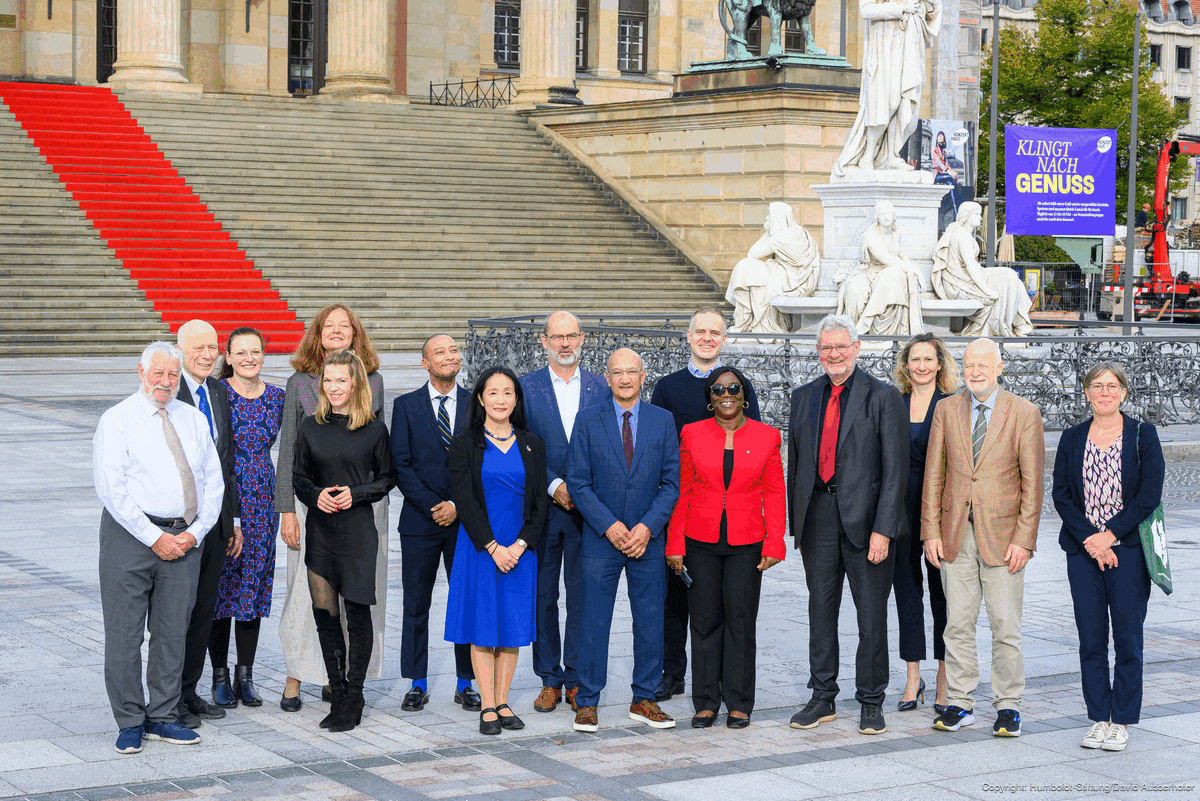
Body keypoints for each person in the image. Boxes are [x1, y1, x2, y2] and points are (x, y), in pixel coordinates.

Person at [94, 342, 223, 754]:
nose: (166, 382)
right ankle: (130, 720)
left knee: (172, 634)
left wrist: (195, 533)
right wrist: (154, 538)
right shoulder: (117, 420)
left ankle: (163, 716)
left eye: (172, 374)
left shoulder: (193, 418)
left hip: (185, 539)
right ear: (140, 372)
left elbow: (213, 482)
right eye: (158, 374)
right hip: (130, 539)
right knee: (124, 636)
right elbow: (111, 488)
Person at [786, 314, 907, 736]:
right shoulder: (803, 398)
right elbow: (796, 465)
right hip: (817, 517)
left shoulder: (883, 397)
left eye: (841, 347)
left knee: (871, 615)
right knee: (820, 612)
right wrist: (795, 524)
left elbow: (895, 470)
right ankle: (822, 696)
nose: (833, 355)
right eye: (826, 348)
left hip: (866, 522)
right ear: (818, 352)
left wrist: (883, 528)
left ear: (856, 348)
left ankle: (871, 701)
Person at [923, 338, 1045, 737]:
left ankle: (1008, 706)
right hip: (955, 535)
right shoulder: (946, 409)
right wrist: (930, 533)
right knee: (956, 624)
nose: (975, 372)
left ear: (999, 368)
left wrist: (1024, 540)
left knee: (1005, 625)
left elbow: (1033, 483)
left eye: (983, 365)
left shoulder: (1024, 413)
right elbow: (934, 476)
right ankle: (959, 702)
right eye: (969, 365)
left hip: (1004, 537)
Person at [276, 304, 388, 712]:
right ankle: (296, 676)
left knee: (356, 599)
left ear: (355, 334)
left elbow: (377, 453)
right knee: (305, 598)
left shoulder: (372, 381)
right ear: (318, 334)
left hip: (359, 509)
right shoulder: (299, 382)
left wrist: (363, 497)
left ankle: (339, 681)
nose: (337, 332)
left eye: (345, 326)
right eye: (329, 326)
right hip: (310, 505)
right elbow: (289, 448)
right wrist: (286, 509)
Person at [566, 348, 681, 733]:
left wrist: (647, 527)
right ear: (608, 377)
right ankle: (587, 701)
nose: (626, 379)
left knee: (650, 620)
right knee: (593, 620)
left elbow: (670, 483)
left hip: (647, 541)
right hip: (602, 540)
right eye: (618, 373)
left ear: (644, 375)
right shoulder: (587, 420)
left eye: (632, 372)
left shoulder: (663, 421)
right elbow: (578, 482)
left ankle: (644, 698)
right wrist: (609, 525)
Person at [666, 366, 786, 729]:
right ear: (710, 398)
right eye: (718, 390)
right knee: (703, 622)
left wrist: (775, 541)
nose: (726, 394)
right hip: (699, 540)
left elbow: (775, 492)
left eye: (733, 388)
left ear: (744, 393)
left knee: (740, 620)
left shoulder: (767, 436)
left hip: (747, 541)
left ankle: (738, 701)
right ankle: (705, 701)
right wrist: (674, 543)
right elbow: (681, 490)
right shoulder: (691, 433)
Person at [1052, 363, 1164, 752]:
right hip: (1083, 552)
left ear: (1123, 393)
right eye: (1097, 386)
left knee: (1129, 639)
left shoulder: (1142, 435)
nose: (1104, 392)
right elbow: (1062, 496)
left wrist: (1111, 536)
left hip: (1129, 549)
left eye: (1112, 386)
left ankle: (1123, 721)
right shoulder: (1071, 438)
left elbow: (1149, 495)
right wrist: (1091, 541)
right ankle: (1099, 717)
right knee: (1091, 638)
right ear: (1086, 393)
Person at [650, 307, 760, 702]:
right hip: (679, 505)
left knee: (722, 606)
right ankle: (672, 673)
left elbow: (757, 444)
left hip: (727, 515)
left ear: (724, 338)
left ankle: (723, 684)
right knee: (675, 598)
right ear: (688, 335)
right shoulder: (667, 387)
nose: (708, 337)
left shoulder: (738, 383)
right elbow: (657, 444)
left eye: (715, 332)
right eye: (701, 331)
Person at [292, 349, 393, 732]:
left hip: (357, 532)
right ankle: (336, 690)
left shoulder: (374, 428)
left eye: (341, 380)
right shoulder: (310, 426)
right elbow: (298, 476)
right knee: (325, 614)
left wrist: (359, 492)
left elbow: (387, 478)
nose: (334, 387)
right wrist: (313, 494)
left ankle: (354, 696)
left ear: (356, 383)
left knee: (357, 613)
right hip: (321, 530)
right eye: (328, 380)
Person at [446, 367, 549, 734]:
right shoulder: (465, 442)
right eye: (493, 393)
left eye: (508, 393)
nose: (501, 400)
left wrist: (519, 546)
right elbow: (465, 500)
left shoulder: (533, 443)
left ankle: (503, 700)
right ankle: (486, 706)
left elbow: (540, 504)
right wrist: (493, 546)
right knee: (483, 625)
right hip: (480, 547)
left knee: (511, 625)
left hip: (520, 549)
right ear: (480, 399)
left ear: (516, 400)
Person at [519, 311, 610, 713]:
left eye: (571, 335)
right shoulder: (527, 388)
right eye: (557, 337)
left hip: (587, 512)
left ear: (583, 338)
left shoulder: (600, 387)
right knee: (542, 596)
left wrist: (582, 490)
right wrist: (556, 484)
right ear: (544, 341)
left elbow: (607, 446)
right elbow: (521, 445)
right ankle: (548, 679)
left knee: (583, 596)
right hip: (543, 508)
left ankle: (575, 678)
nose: (565, 343)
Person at [390, 334, 480, 712]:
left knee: (464, 602)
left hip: (466, 521)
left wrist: (458, 504)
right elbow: (401, 465)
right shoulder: (406, 405)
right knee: (416, 603)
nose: (449, 356)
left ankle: (467, 682)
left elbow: (482, 459)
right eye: (439, 352)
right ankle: (417, 682)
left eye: (453, 350)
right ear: (424, 363)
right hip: (419, 520)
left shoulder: (476, 405)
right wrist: (433, 505)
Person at [209, 327, 285, 709]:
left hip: (264, 497)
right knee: (223, 588)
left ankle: (245, 676)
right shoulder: (217, 393)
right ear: (228, 355)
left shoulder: (277, 397)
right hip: (227, 492)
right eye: (241, 352)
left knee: (253, 587)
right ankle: (219, 676)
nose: (249, 358)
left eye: (255, 351)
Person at [174, 319, 241, 729]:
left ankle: (188, 691)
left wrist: (232, 519)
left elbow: (226, 462)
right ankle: (169, 696)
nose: (206, 353)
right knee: (176, 613)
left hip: (215, 523)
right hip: (180, 522)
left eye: (212, 346)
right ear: (181, 350)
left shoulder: (217, 391)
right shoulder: (169, 388)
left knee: (203, 611)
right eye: (197, 347)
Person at [892, 333, 958, 714]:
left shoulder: (951, 405)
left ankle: (944, 677)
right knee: (906, 593)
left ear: (939, 364)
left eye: (928, 359)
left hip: (939, 506)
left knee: (943, 593)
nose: (921, 366)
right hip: (899, 508)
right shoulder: (893, 402)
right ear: (906, 365)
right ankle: (912, 676)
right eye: (915, 359)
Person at [833, 0, 942, 176]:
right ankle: (868, 154)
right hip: (884, 45)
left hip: (909, 44)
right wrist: (900, 9)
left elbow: (932, 11)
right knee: (887, 101)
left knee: (904, 102)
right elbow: (866, 10)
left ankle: (892, 155)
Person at [931, 202, 1033, 338]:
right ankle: (1014, 327)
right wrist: (987, 291)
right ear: (966, 216)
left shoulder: (960, 232)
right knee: (1007, 276)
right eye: (976, 214)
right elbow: (970, 266)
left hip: (966, 277)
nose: (979, 218)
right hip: (961, 281)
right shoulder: (962, 235)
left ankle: (1020, 325)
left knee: (1011, 277)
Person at [726, 202, 821, 334]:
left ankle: (753, 323)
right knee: (745, 267)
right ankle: (747, 322)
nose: (766, 219)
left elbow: (753, 253)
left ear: (778, 217)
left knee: (747, 268)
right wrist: (769, 232)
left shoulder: (787, 235)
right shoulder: (794, 231)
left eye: (769, 216)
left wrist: (767, 233)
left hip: (790, 279)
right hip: (784, 274)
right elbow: (751, 255)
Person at [837, 200, 924, 336]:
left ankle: (888, 331)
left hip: (887, 270)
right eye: (883, 214)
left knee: (893, 276)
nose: (887, 217)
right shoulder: (871, 236)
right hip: (871, 272)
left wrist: (906, 260)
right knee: (857, 289)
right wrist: (914, 269)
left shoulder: (895, 232)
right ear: (877, 217)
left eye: (889, 213)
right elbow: (888, 259)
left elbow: (897, 252)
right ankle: (859, 328)